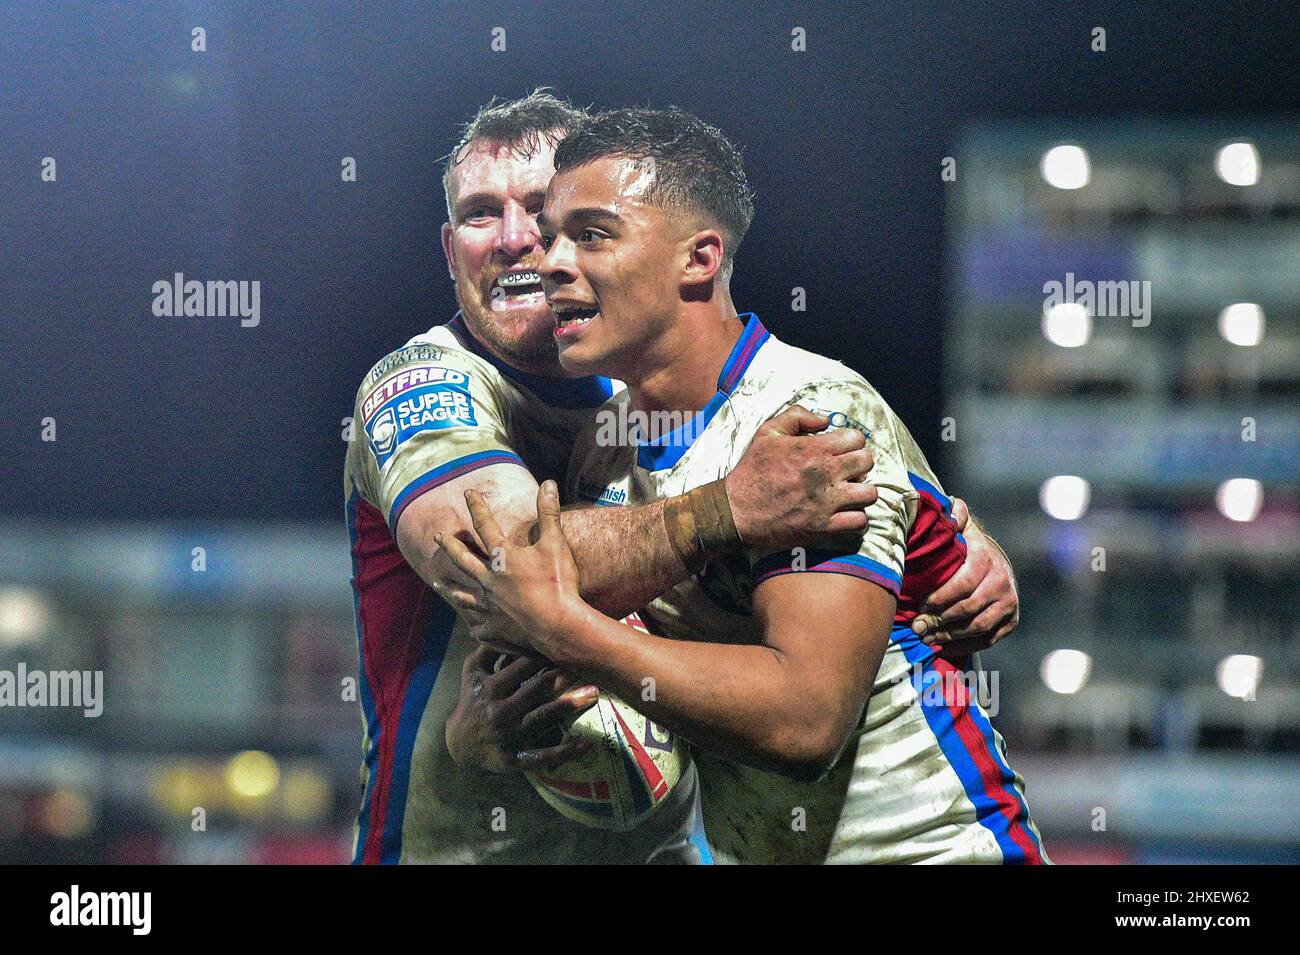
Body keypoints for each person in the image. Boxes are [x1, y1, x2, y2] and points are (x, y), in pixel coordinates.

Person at [438, 106, 1046, 863]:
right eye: (555, 234)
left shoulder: (809, 418)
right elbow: (524, 593)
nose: (551, 259)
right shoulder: (605, 448)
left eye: (590, 235)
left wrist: (574, 634)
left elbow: (805, 723)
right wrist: (477, 732)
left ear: (697, 260)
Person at [344, 91, 889, 864]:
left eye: (541, 211)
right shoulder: (422, 383)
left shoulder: (642, 391)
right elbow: (511, 564)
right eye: (477, 214)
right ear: (448, 249)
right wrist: (721, 511)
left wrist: (949, 542)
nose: (512, 241)